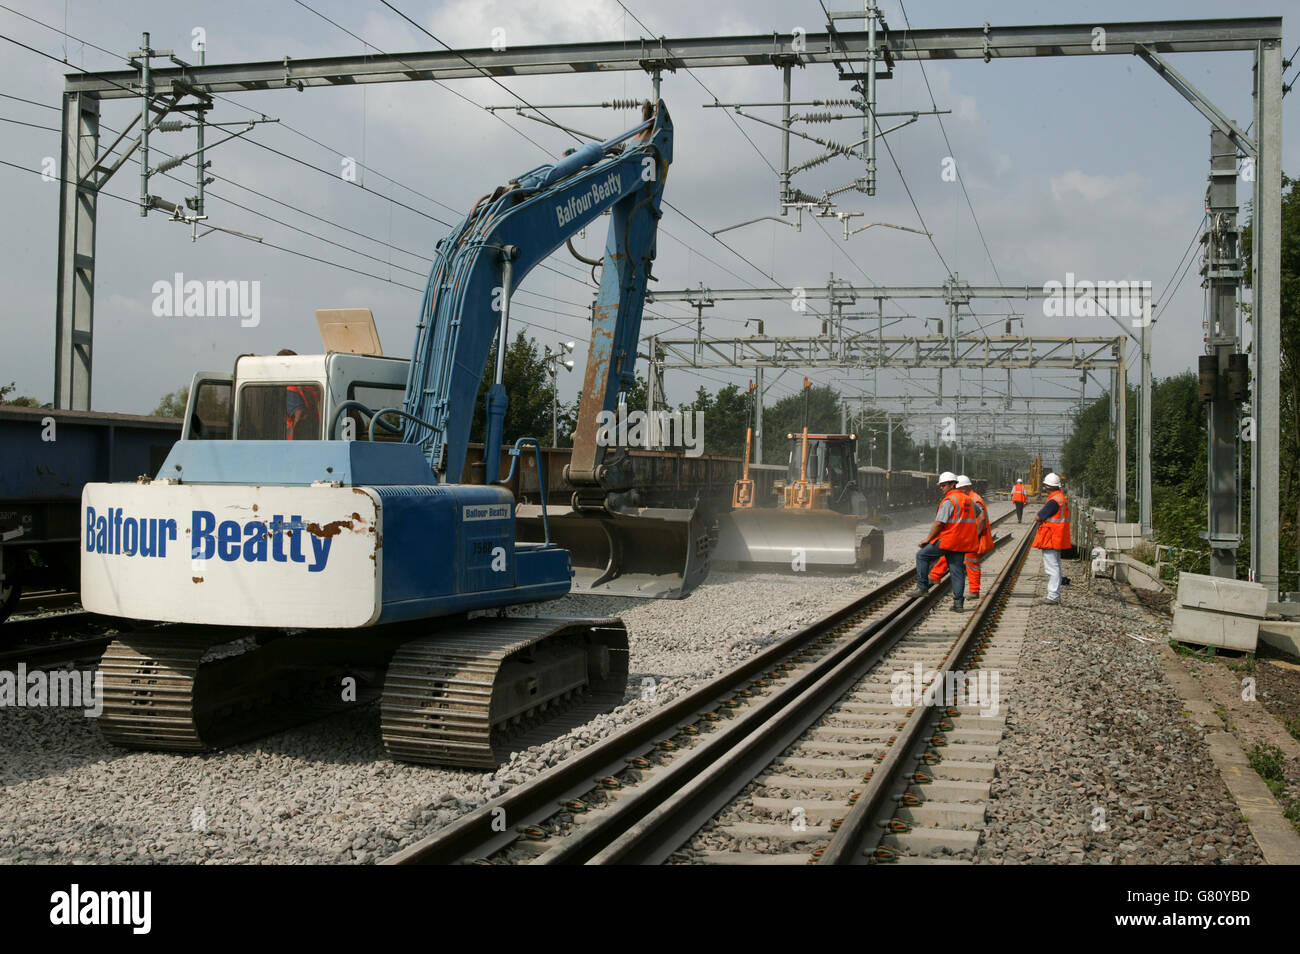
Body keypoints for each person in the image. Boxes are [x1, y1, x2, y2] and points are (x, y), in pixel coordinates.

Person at [914, 472, 983, 612]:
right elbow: (981, 516)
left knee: (922, 555)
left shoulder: (949, 501)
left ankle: (922, 587)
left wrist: (928, 539)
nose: (942, 488)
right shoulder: (968, 500)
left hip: (949, 540)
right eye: (940, 485)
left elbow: (939, 523)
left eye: (944, 485)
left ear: (953, 484)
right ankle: (958, 604)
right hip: (962, 542)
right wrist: (975, 534)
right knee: (956, 570)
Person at [1032, 472, 1070, 604]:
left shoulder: (1054, 501)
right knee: (1056, 566)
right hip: (1058, 537)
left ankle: (1053, 596)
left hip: (1051, 538)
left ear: (1047, 487)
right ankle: (1055, 595)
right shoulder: (1061, 498)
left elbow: (1039, 517)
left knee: (1051, 568)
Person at [957, 475, 994, 599]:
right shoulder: (969, 498)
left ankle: (974, 591)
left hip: (972, 538)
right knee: (966, 562)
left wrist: (975, 536)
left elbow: (982, 518)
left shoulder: (975, 499)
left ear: (965, 487)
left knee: (972, 563)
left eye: (959, 488)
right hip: (967, 537)